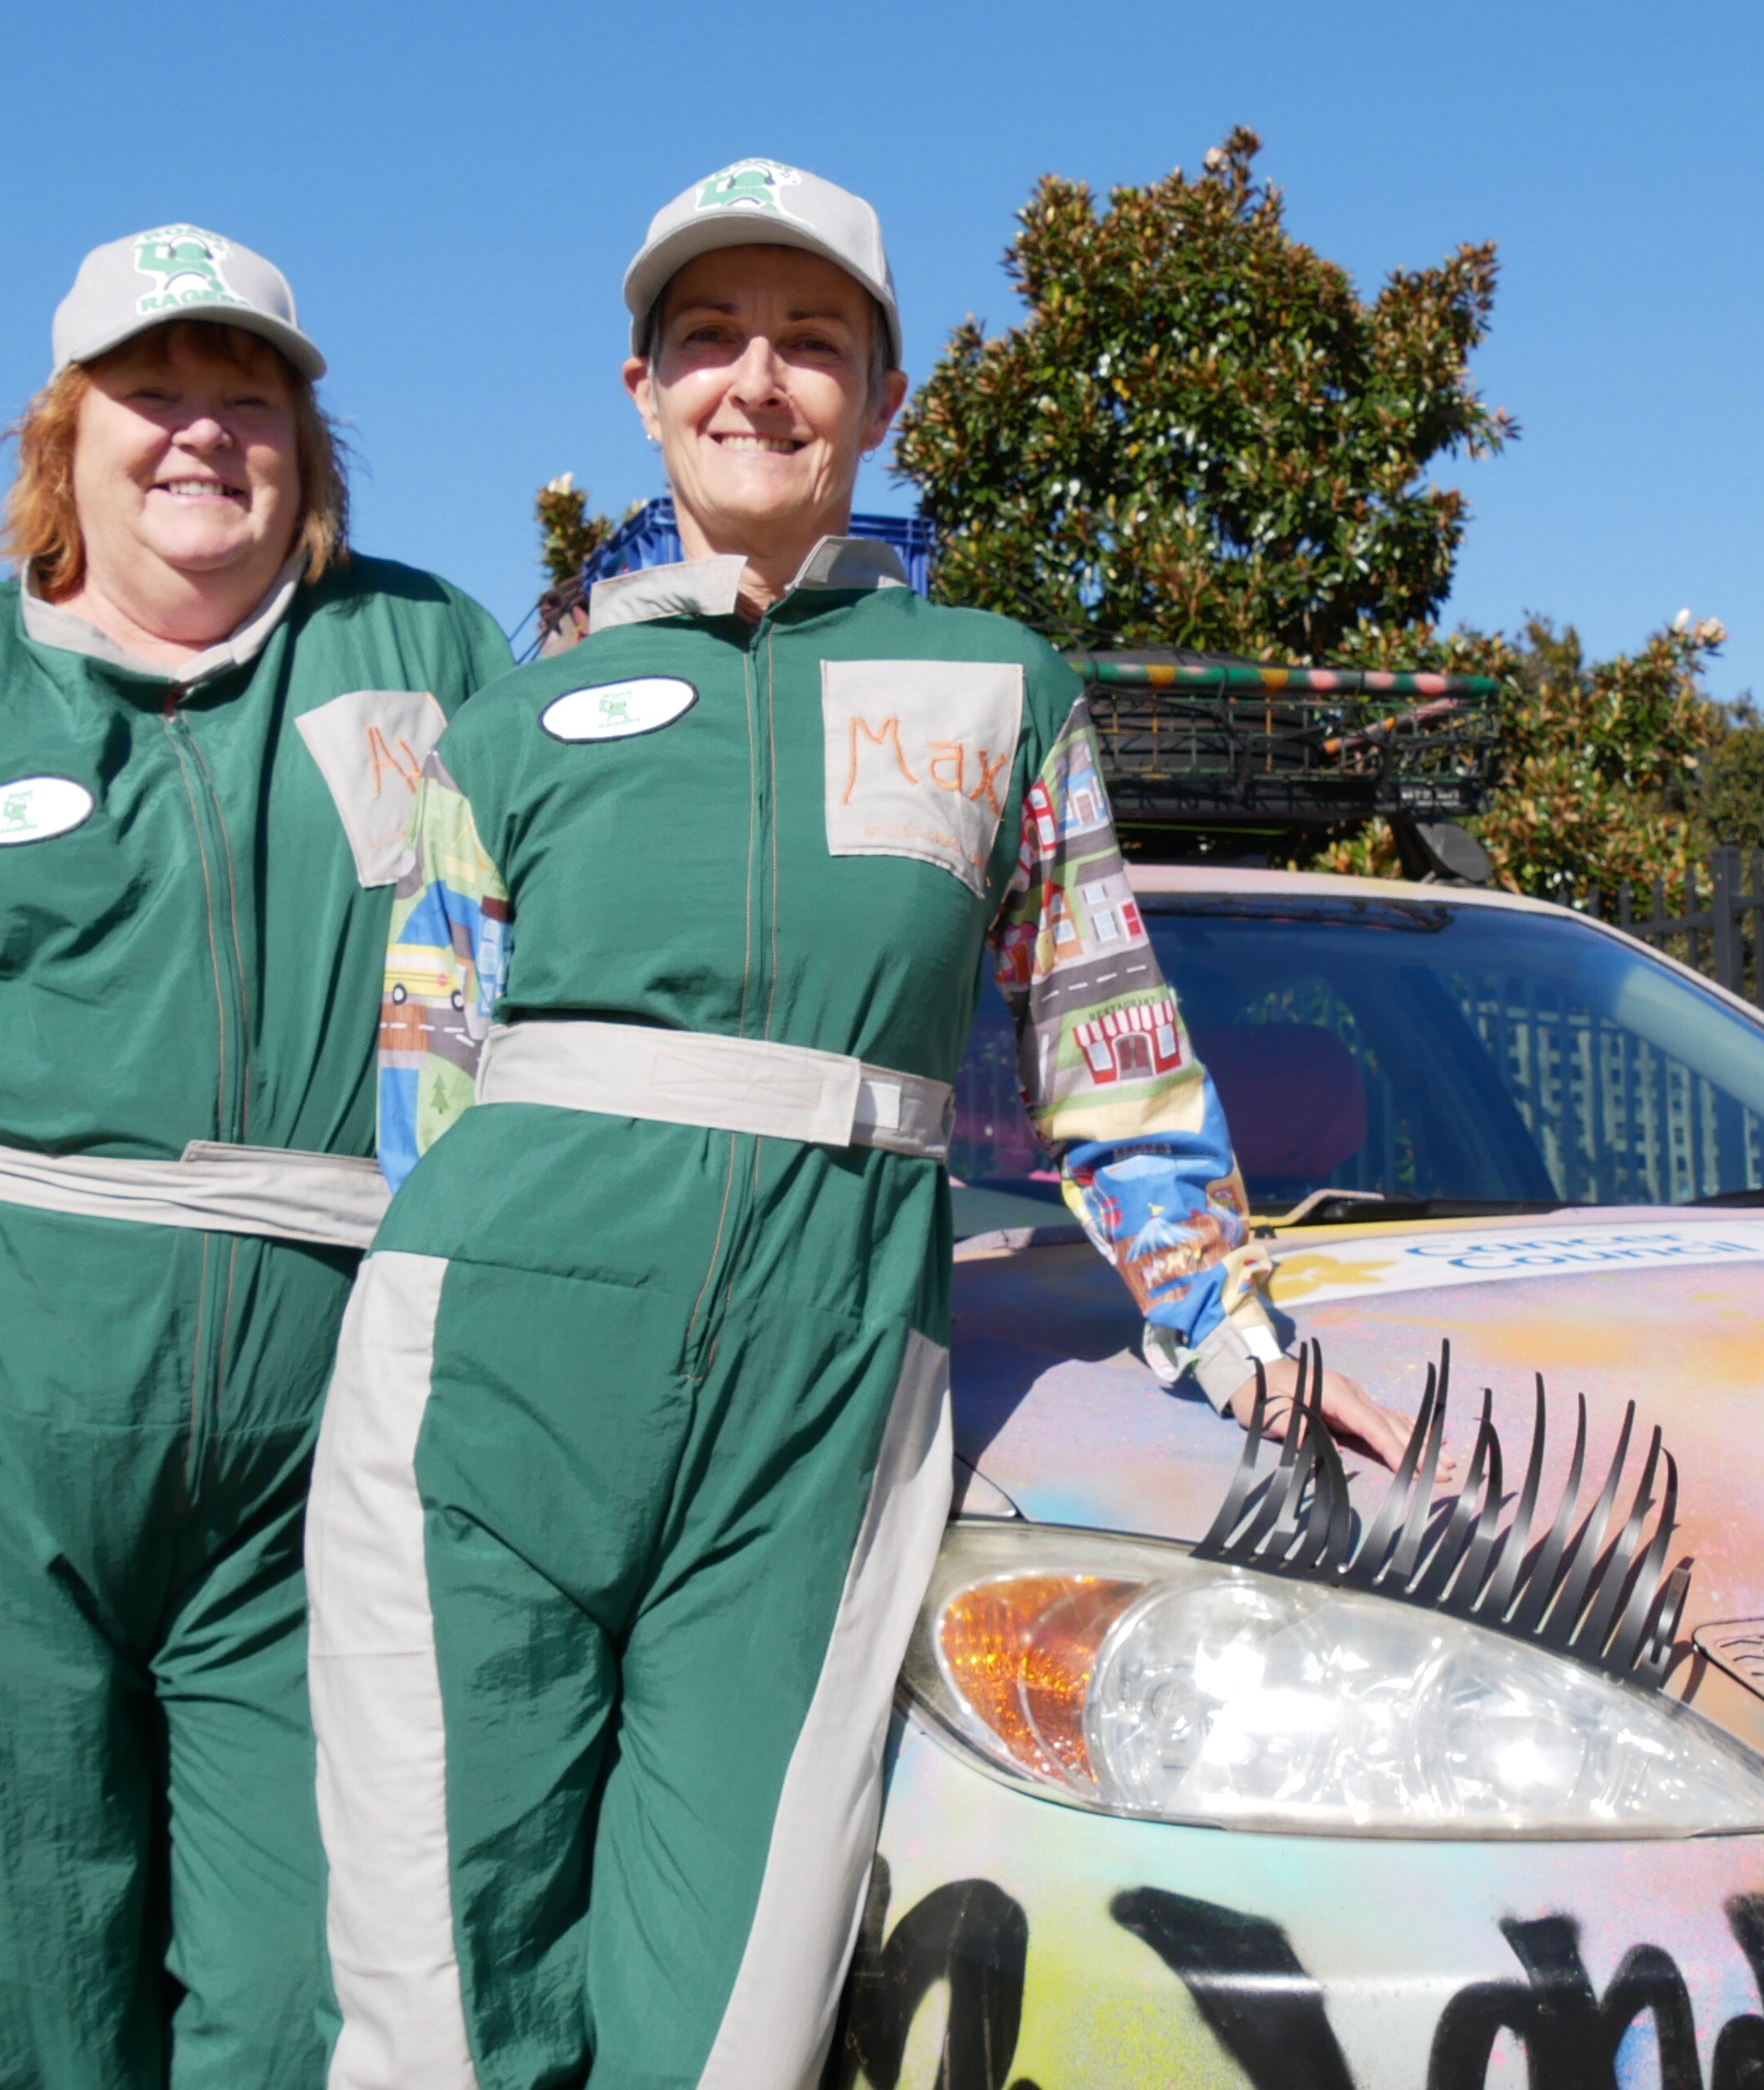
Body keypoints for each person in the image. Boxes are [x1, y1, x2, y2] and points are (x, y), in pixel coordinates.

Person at [308, 159, 1412, 2090]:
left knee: (735, 1980)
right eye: (710, 340)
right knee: (443, 1968)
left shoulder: (993, 689)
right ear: (642, 389)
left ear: (881, 394)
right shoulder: (514, 720)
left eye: (812, 342)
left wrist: (1220, 1312)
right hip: (484, 1364)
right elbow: (429, 1064)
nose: (759, 379)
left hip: (824, 1386)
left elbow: (1100, 1025)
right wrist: (430, 1302)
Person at [0, 224, 516, 2090]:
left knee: (327, 1971)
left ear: (309, 438)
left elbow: (529, 998)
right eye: (154, 394)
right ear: (64, 437)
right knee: (0, 1969)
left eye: (251, 394)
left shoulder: (438, 659)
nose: (202, 434)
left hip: (332, 1432)